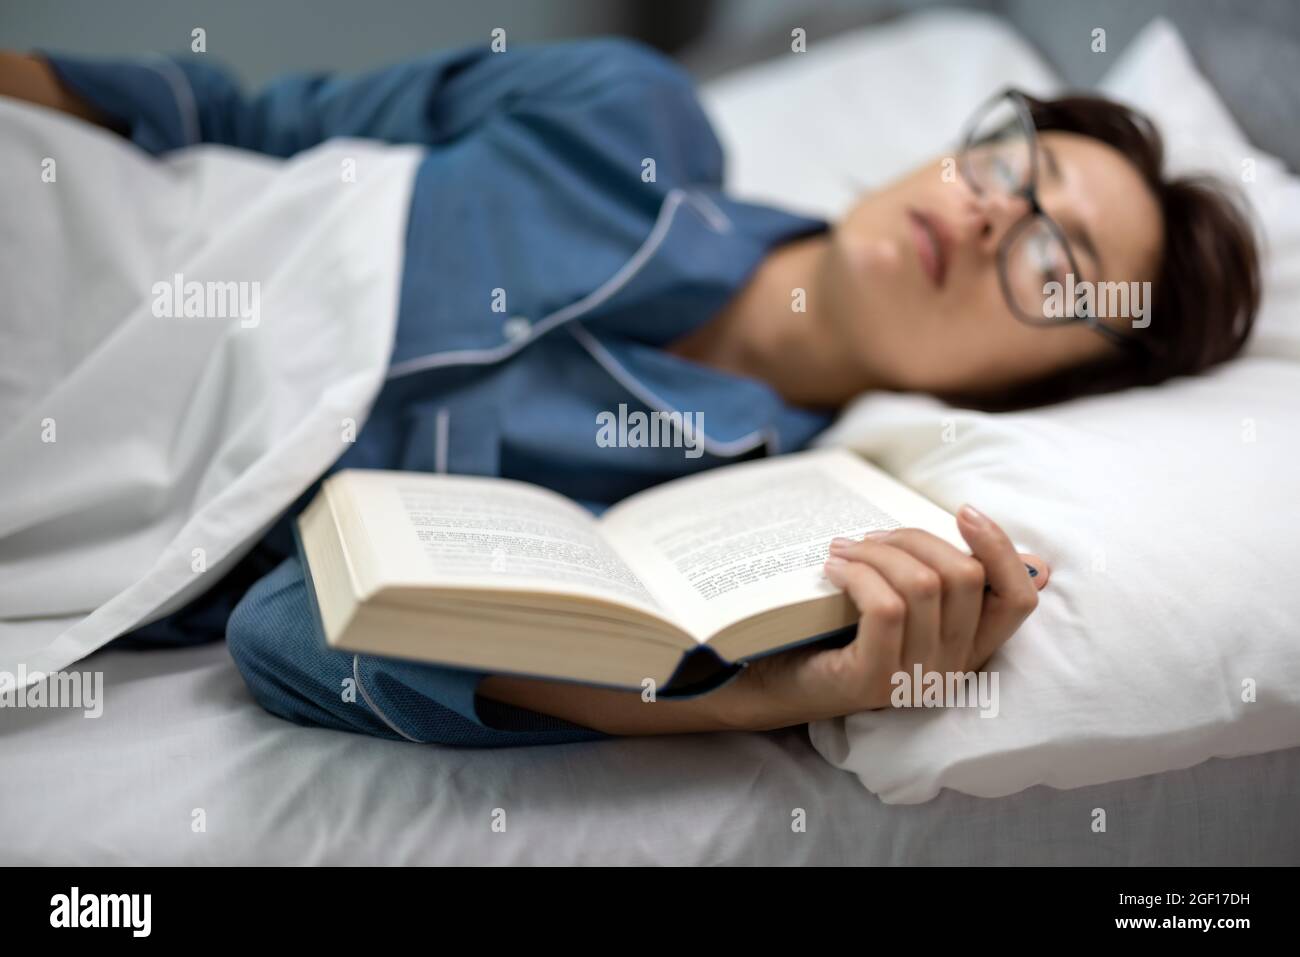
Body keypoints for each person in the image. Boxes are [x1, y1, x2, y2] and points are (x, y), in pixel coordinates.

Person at [0, 38, 1259, 745]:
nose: (994, 212)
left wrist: (774, 694)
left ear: (1044, 387)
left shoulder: (723, 523)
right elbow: (231, 114)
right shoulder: (623, 113)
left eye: (1056, 260)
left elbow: (295, 634)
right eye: (1008, 161)